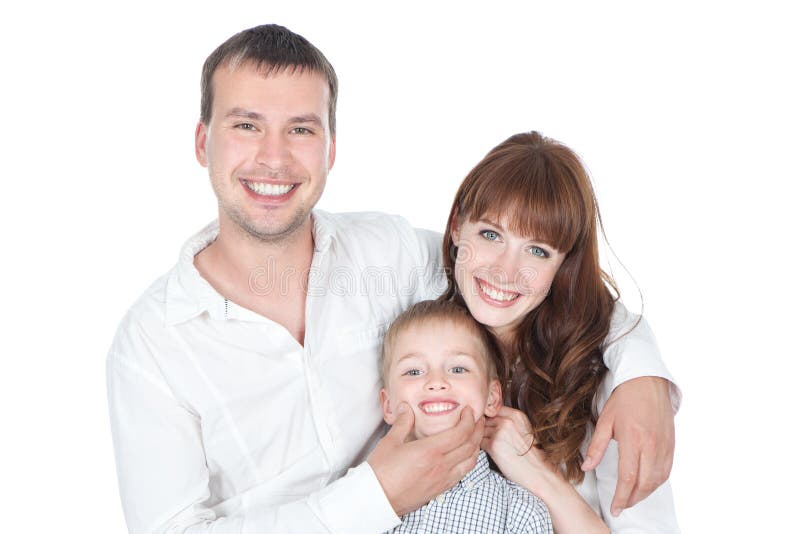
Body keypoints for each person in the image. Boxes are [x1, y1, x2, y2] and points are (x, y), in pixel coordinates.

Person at [107, 24, 678, 534]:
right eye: (247, 125)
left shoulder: (387, 255)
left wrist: (640, 375)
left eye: (301, 130)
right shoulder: (151, 346)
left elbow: (525, 283)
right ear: (204, 141)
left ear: (331, 149)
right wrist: (372, 498)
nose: (273, 158)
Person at [442, 131, 681, 532]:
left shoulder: (608, 387)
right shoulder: (421, 332)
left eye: (538, 251)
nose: (505, 269)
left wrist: (532, 469)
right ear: (456, 228)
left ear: (563, 265)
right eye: (490, 235)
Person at [379, 299, 552, 533]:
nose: (436, 382)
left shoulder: (521, 514)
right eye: (414, 371)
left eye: (458, 369)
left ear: (491, 398)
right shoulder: (361, 504)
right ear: (388, 405)